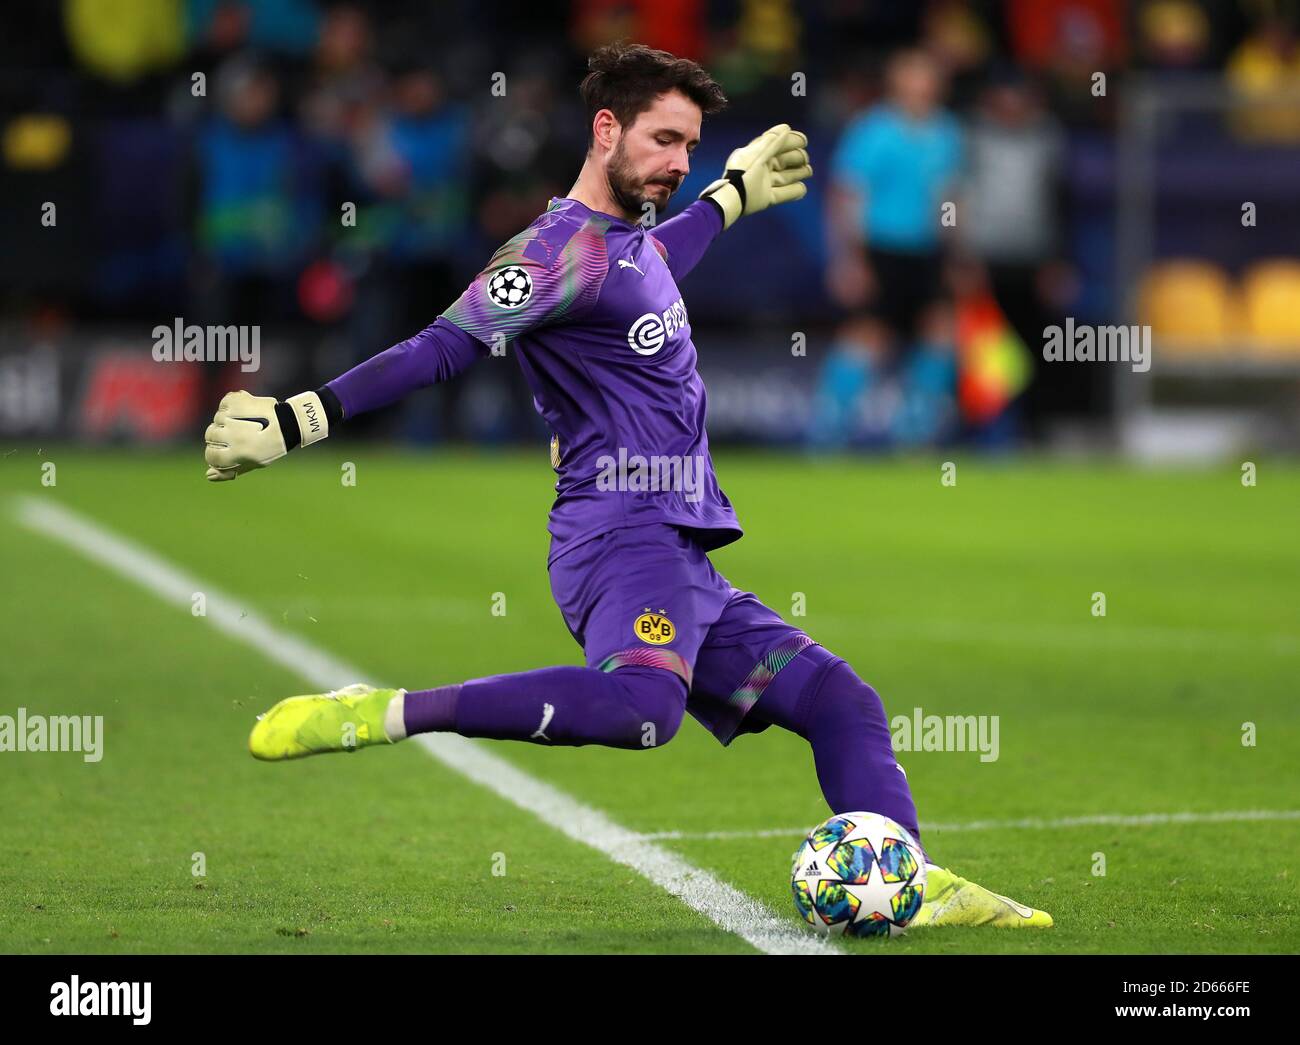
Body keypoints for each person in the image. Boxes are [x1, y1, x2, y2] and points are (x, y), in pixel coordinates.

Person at [203, 41, 1051, 931]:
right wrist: (300, 417)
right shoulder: (554, 252)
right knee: (645, 710)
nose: (679, 163)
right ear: (606, 129)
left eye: (690, 145)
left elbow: (654, 266)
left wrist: (728, 197)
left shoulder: (625, 244)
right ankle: (390, 711)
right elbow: (442, 342)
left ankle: (905, 876)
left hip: (680, 542)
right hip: (618, 532)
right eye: (664, 140)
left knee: (842, 701)